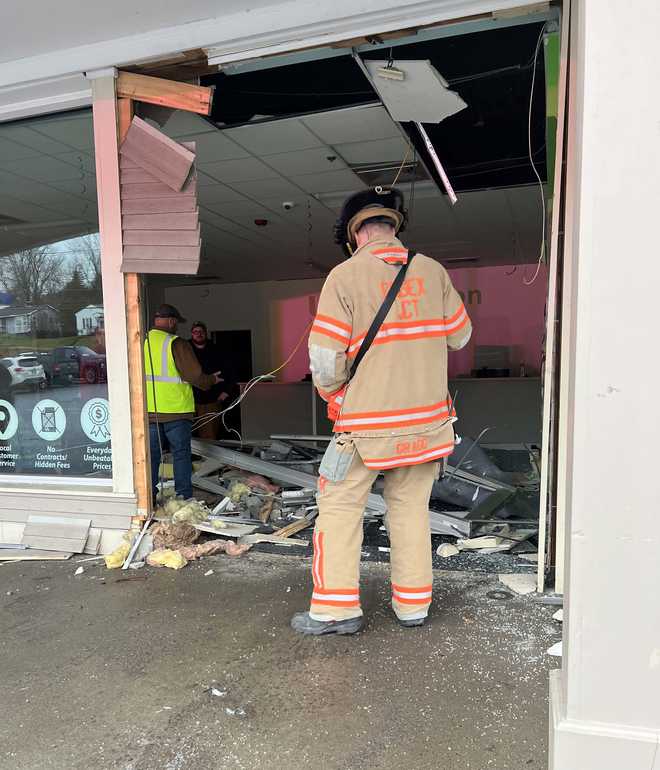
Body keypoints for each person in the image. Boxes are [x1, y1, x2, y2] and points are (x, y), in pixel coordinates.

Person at [291, 187, 472, 636]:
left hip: (365, 428)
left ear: (354, 233)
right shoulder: (433, 272)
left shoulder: (345, 276)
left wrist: (334, 393)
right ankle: (413, 607)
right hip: (428, 423)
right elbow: (461, 338)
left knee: (338, 505)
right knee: (410, 508)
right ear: (394, 226)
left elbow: (327, 358)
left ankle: (336, 610)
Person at [144, 304, 221, 502]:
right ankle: (182, 497)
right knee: (181, 455)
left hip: (149, 412)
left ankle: (149, 498)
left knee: (151, 457)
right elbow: (194, 375)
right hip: (176, 412)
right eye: (177, 322)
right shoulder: (176, 343)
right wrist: (211, 381)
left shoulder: (141, 341)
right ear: (171, 321)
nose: (177, 326)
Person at [189, 321, 238, 441]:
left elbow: (231, 372)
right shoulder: (186, 350)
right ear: (191, 334)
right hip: (188, 400)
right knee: (188, 437)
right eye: (195, 332)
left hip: (211, 400)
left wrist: (226, 391)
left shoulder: (217, 350)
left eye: (201, 332)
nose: (199, 334)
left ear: (206, 333)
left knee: (209, 437)